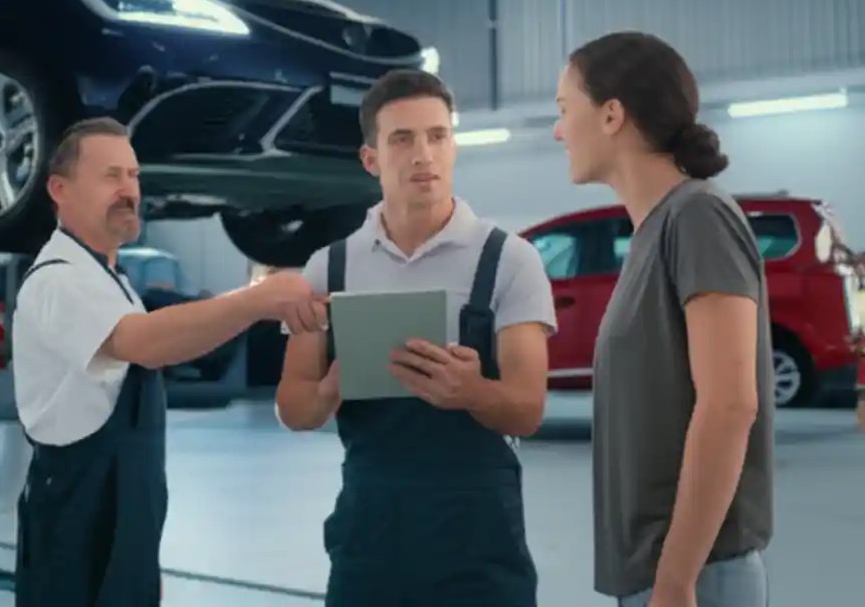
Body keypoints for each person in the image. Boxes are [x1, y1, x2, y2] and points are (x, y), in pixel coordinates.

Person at [11, 116, 324, 607]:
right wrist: (255, 299)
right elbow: (145, 343)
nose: (129, 189)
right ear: (60, 189)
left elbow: (169, 340)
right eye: (110, 176)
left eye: (134, 176)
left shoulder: (111, 281)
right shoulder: (57, 278)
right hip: (75, 529)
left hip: (123, 526)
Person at [275, 69, 557, 606]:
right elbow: (293, 406)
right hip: (370, 537)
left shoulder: (509, 261)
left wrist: (473, 392)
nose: (422, 153)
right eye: (401, 139)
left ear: (453, 147)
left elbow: (527, 410)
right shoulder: (328, 269)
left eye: (437, 136)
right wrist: (332, 387)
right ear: (371, 159)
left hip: (479, 545)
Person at [554, 31, 774, 607]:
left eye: (562, 110)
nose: (557, 131)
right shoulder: (655, 231)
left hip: (696, 578)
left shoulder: (697, 215)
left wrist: (676, 580)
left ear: (611, 115)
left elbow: (730, 404)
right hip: (656, 574)